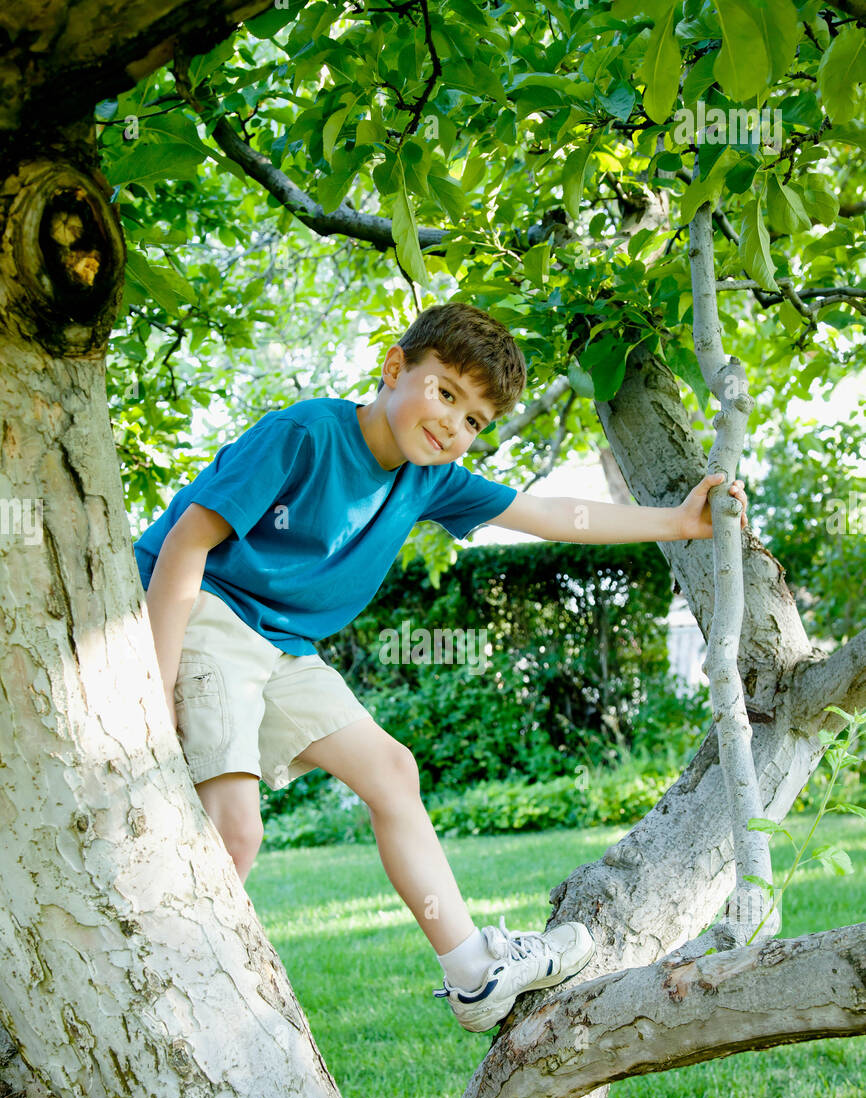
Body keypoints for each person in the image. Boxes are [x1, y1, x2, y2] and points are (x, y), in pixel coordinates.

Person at [134, 301, 749, 1033]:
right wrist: (147, 690)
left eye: (476, 420)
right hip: (205, 609)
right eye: (445, 393)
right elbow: (185, 545)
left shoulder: (427, 481)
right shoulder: (303, 435)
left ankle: (472, 974)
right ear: (395, 368)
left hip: (281, 645)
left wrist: (677, 523)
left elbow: (553, 518)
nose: (454, 423)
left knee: (392, 771)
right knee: (236, 829)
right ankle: (173, 992)